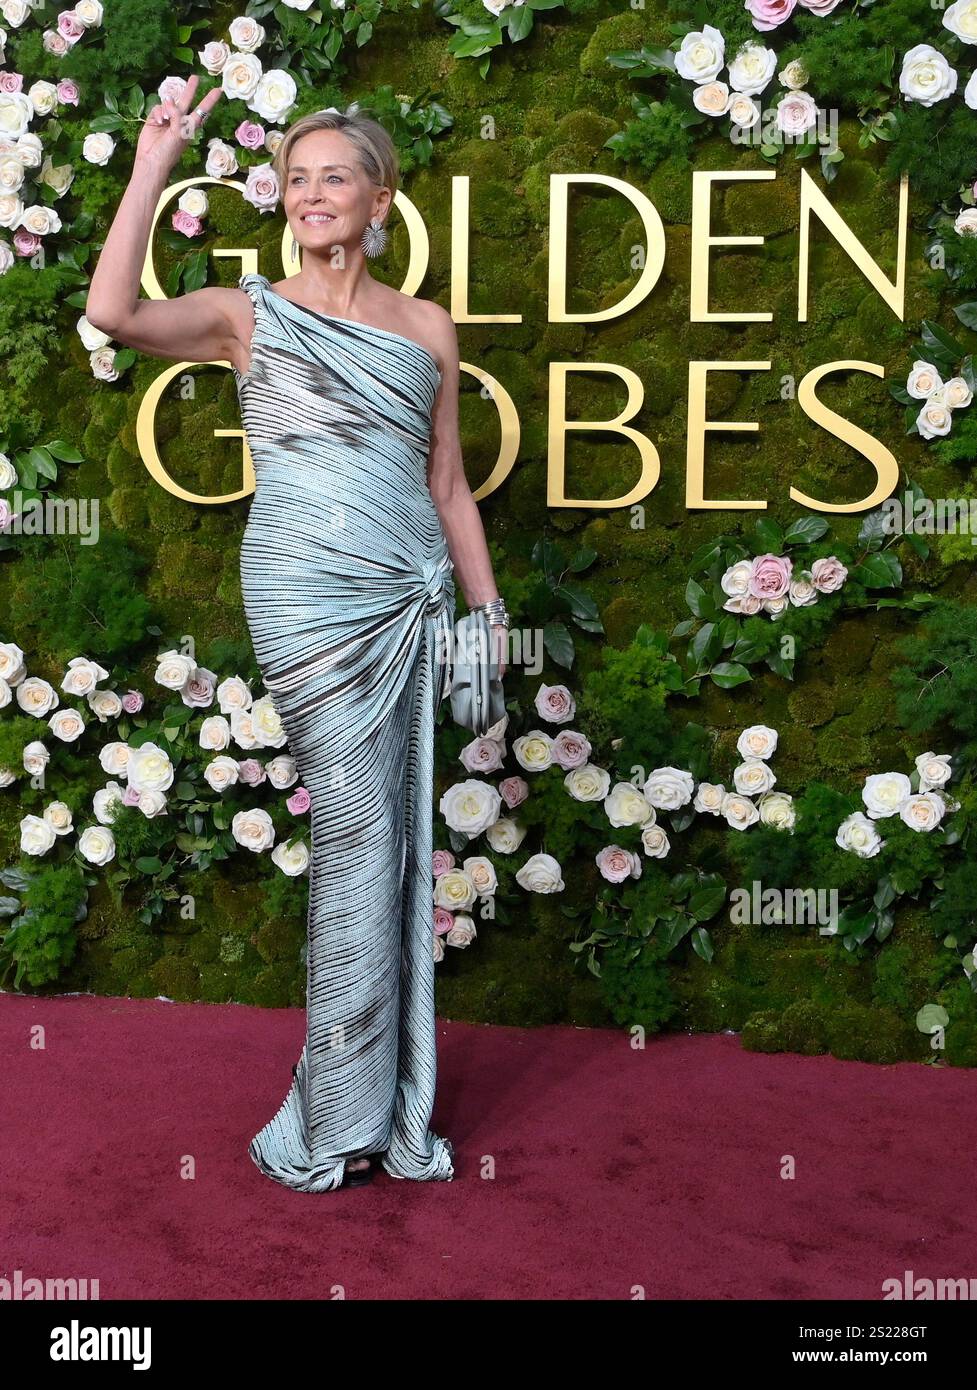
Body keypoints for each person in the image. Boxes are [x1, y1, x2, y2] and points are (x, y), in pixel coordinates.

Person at [87, 78, 509, 1192]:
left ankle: (364, 1102)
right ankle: (335, 1114)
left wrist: (487, 617)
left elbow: (451, 483)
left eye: (333, 177)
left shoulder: (426, 327)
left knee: (397, 842)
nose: (310, 194)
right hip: (305, 593)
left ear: (379, 200)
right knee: (361, 832)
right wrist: (150, 168)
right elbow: (115, 316)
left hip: (409, 590)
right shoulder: (246, 313)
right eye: (295, 180)